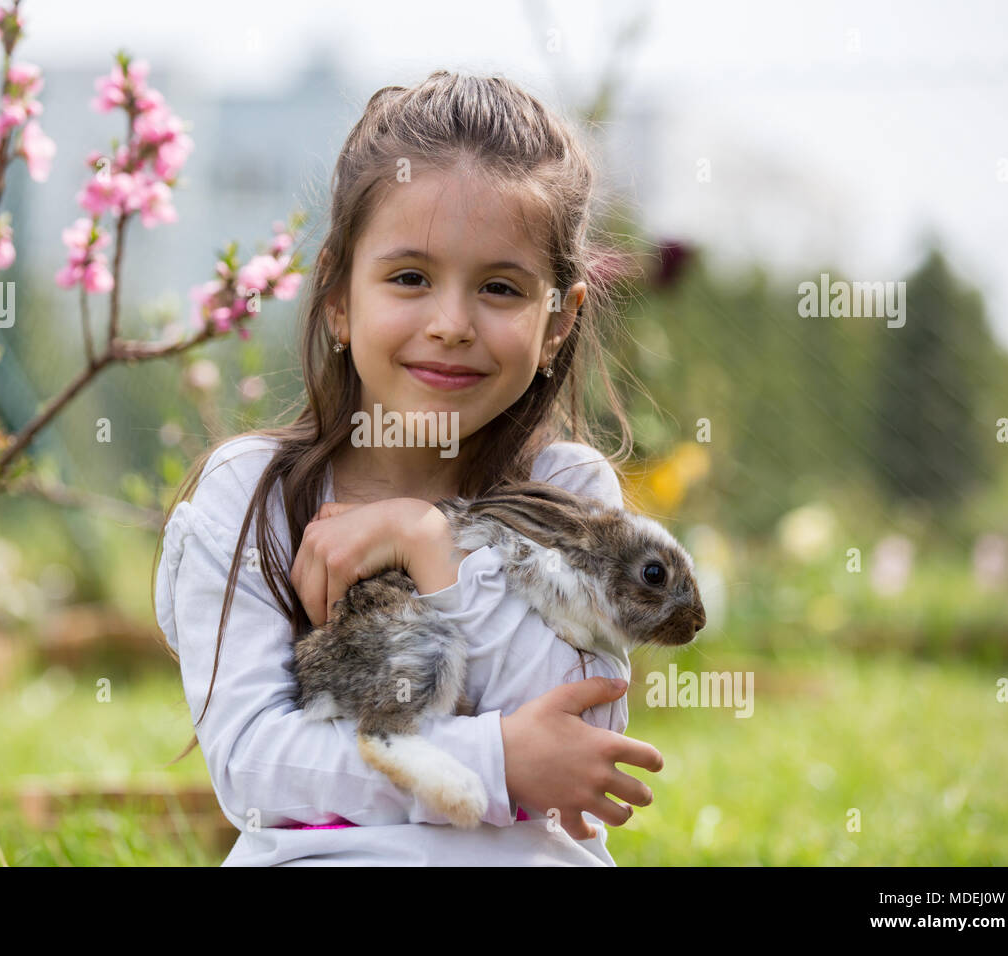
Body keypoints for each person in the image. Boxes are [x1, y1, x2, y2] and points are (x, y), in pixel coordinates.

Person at [154, 70, 664, 865]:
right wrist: (493, 762)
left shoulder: (572, 496)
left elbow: (579, 742)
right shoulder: (252, 496)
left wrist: (433, 550)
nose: (452, 324)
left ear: (557, 323)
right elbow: (252, 763)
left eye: (500, 288)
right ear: (338, 296)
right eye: (410, 278)